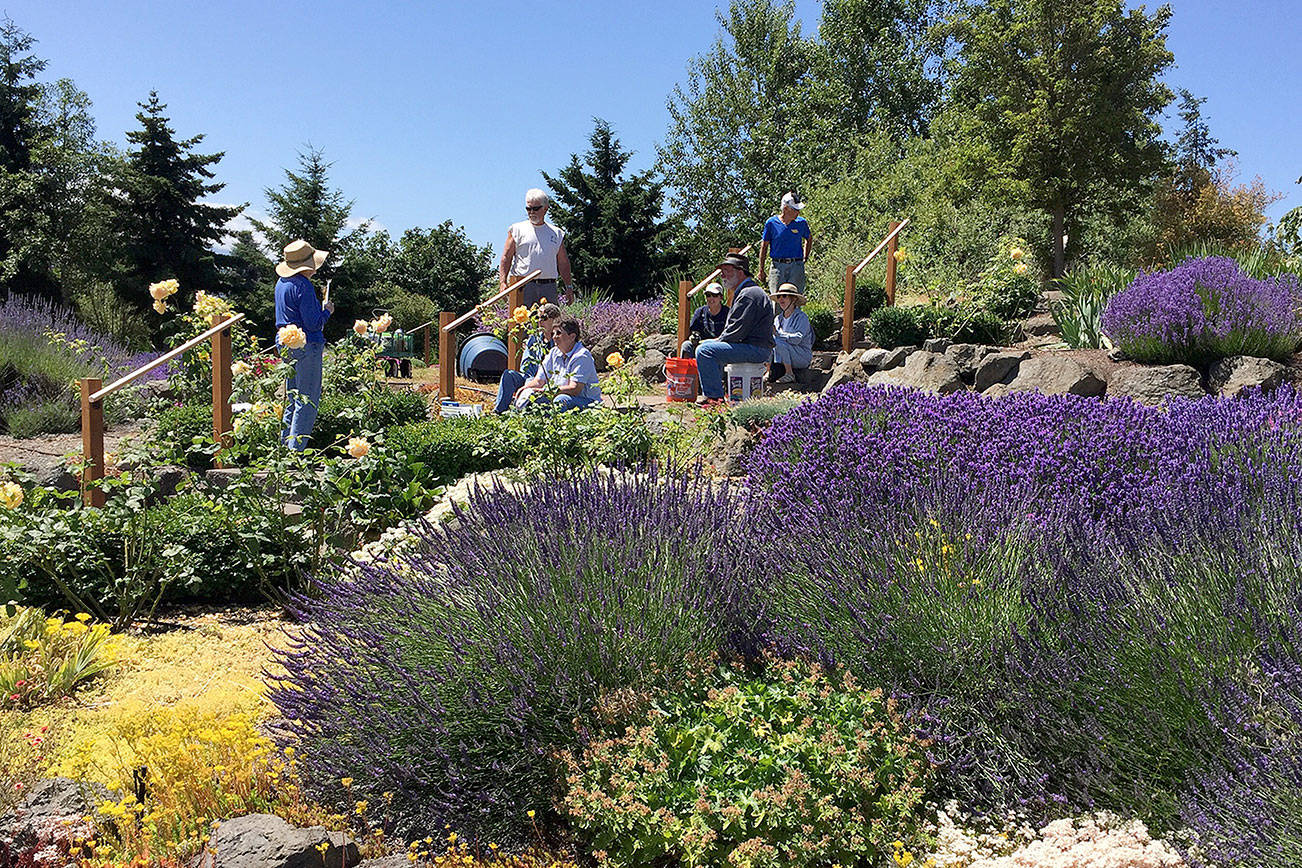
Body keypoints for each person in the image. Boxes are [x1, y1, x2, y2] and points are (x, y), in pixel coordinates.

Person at [274, 239, 334, 450]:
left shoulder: (281, 283)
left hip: (285, 341)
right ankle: (296, 452)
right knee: (307, 399)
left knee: (292, 396)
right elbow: (314, 323)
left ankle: (284, 446)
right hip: (306, 344)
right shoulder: (303, 286)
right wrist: (327, 311)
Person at [695, 252, 774, 404]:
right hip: (757, 347)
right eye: (722, 271)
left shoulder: (748, 294)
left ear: (740, 272)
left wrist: (716, 341)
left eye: (727, 271)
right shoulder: (749, 291)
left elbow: (736, 331)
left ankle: (714, 398)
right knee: (708, 347)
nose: (723, 275)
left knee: (705, 351)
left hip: (756, 349)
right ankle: (716, 394)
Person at [499, 189, 573, 307]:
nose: (531, 212)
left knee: (549, 323)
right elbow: (505, 258)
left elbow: (563, 262)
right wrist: (502, 283)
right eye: (528, 209)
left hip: (549, 287)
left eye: (535, 209)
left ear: (545, 208)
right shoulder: (516, 230)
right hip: (522, 286)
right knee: (522, 324)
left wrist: (569, 287)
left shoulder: (556, 233)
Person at [515, 317, 602, 412]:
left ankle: (554, 426)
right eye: (553, 333)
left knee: (560, 400)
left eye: (559, 333)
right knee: (529, 399)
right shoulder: (553, 352)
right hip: (558, 396)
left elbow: (575, 389)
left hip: (587, 402)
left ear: (572, 337)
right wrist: (525, 389)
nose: (554, 337)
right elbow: (539, 381)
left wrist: (545, 391)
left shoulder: (581, 356)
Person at [493, 303, 562, 413]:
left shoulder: (560, 342)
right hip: (530, 379)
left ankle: (517, 413)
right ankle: (499, 411)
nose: (539, 321)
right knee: (508, 375)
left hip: (549, 382)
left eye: (544, 318)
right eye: (537, 317)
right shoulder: (534, 339)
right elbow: (526, 366)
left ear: (555, 320)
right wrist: (529, 384)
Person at [758, 192, 812, 294]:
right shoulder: (771, 223)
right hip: (778, 266)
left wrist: (805, 256)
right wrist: (761, 269)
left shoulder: (801, 223)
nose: (798, 212)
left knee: (795, 298)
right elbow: (764, 246)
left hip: (796, 266)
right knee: (777, 298)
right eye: (795, 210)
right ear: (786, 208)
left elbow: (809, 238)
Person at [770, 283, 813, 384]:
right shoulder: (778, 318)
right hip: (782, 355)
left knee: (777, 341)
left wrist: (779, 334)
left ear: (793, 299)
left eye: (784, 296)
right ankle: (768, 371)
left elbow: (797, 339)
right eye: (779, 296)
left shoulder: (802, 317)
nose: (781, 299)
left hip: (801, 356)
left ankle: (790, 374)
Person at [679, 283, 729, 358]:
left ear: (721, 297)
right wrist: (694, 338)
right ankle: (686, 368)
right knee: (686, 345)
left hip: (720, 344)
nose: (711, 298)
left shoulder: (728, 312)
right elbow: (694, 331)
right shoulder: (700, 312)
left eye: (715, 295)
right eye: (708, 295)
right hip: (701, 344)